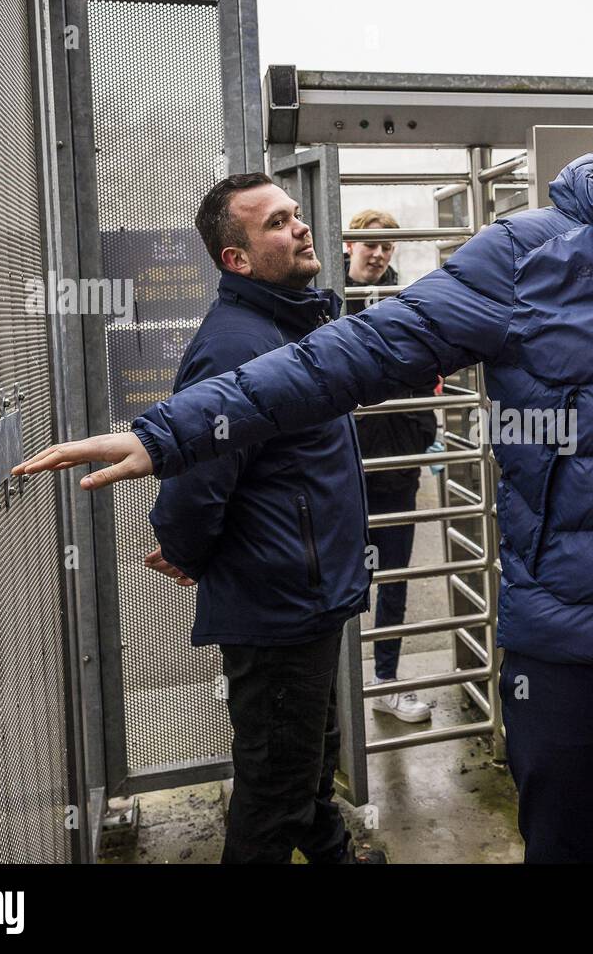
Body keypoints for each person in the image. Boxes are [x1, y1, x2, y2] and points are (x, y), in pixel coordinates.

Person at [19, 58, 593, 863]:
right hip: (571, 647)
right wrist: (170, 430)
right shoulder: (523, 260)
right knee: (563, 845)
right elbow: (347, 356)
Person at [144, 172, 379, 863]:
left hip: (307, 600)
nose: (300, 226)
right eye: (276, 222)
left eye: (295, 214)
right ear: (235, 259)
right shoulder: (235, 345)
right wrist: (186, 548)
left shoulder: (289, 325)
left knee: (308, 769)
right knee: (273, 800)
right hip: (277, 609)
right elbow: (195, 479)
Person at [344, 209, 438, 722]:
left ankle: (385, 680)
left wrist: (420, 437)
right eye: (369, 245)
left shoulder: (410, 304)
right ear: (349, 246)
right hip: (345, 475)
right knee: (344, 583)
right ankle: (339, 686)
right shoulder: (328, 307)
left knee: (394, 581)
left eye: (386, 247)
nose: (378, 254)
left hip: (398, 470)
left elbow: (427, 377)